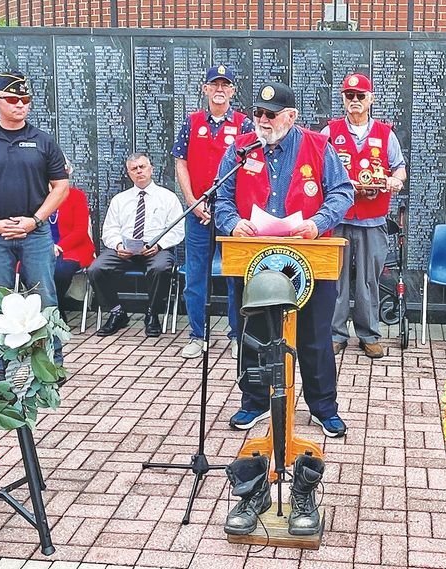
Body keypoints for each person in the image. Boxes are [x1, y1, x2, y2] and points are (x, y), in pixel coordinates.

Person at [213, 81, 354, 438]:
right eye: (257, 113)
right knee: (254, 333)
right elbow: (222, 197)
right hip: (253, 258)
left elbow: (342, 192)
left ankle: (323, 407)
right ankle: (255, 402)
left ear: (290, 117)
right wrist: (233, 223)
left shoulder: (318, 146)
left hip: (309, 257)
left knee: (314, 337)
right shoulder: (241, 149)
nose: (262, 119)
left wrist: (317, 222)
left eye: (270, 114)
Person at [0, 70, 68, 371]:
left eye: (25, 100)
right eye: (13, 99)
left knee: (44, 296)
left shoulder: (43, 141)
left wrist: (35, 219)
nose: (20, 105)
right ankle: (1, 362)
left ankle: (50, 362)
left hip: (35, 233)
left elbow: (61, 186)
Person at [171, 65, 254, 359]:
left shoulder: (244, 125)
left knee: (235, 277)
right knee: (195, 276)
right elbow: (180, 161)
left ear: (232, 91)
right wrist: (193, 200)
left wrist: (225, 207)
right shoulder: (192, 122)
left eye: (225, 85)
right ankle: (198, 334)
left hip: (230, 214)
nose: (220, 90)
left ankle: (237, 335)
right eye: (214, 85)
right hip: (198, 213)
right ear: (205, 89)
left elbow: (250, 168)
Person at [323, 73, 407, 358]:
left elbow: (399, 168)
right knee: (336, 279)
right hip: (338, 218)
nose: (355, 101)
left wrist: (395, 180)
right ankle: (335, 334)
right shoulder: (329, 132)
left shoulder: (385, 133)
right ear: (343, 99)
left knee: (368, 280)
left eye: (361, 96)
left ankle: (369, 334)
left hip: (373, 218)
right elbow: (316, 167)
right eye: (349, 96)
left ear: (371, 99)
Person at [89, 153, 184, 337]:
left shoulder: (168, 197)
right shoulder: (120, 200)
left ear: (151, 169)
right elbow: (109, 229)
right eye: (134, 168)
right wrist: (117, 245)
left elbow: (178, 229)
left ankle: (152, 313)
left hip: (155, 249)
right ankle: (117, 312)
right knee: (96, 269)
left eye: (143, 167)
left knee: (161, 268)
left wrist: (159, 245)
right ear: (129, 173)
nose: (139, 171)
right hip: (125, 250)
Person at [50, 160, 95, 316]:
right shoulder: (36, 196)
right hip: (41, 246)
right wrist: (48, 246)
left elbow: (80, 230)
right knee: (29, 268)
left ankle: (56, 307)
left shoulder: (76, 196)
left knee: (61, 270)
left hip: (73, 247)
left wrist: (59, 247)